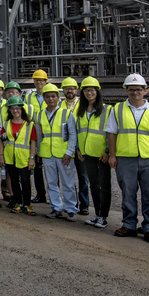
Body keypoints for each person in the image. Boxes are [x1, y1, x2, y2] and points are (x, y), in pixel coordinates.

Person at [106, 73, 149, 244]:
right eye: (131, 89)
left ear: (145, 91)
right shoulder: (117, 109)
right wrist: (112, 155)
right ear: (126, 90)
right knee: (128, 193)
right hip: (125, 159)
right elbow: (112, 134)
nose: (135, 92)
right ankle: (129, 225)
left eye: (139, 89)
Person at [37, 83, 78, 221]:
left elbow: (72, 134)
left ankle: (71, 209)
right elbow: (39, 136)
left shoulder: (66, 113)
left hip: (63, 154)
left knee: (68, 183)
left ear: (58, 98)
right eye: (48, 96)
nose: (51, 99)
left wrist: (69, 152)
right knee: (51, 183)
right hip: (47, 154)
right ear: (44, 98)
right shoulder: (40, 115)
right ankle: (56, 208)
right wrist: (39, 152)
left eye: (53, 96)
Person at [76, 76, 110, 228]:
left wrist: (108, 151)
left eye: (92, 90)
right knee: (94, 185)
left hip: (102, 154)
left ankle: (103, 216)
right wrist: (78, 149)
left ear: (97, 92)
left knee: (104, 186)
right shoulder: (81, 111)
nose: (89, 93)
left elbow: (110, 132)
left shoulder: (107, 110)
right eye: (86, 91)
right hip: (87, 153)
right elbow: (79, 131)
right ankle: (97, 214)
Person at [0, 96, 36, 216]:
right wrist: (1, 155)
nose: (15, 111)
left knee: (25, 181)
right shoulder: (6, 124)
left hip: (24, 159)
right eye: (13, 108)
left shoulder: (29, 125)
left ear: (22, 109)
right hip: (10, 158)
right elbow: (1, 141)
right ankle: (18, 203)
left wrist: (32, 158)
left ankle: (27, 204)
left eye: (18, 108)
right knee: (14, 181)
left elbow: (33, 142)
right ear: (9, 110)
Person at [61, 76, 89, 217]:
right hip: (66, 147)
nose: (69, 91)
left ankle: (84, 205)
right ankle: (72, 204)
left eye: (72, 88)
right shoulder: (60, 105)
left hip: (81, 146)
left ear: (76, 90)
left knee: (83, 177)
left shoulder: (83, 105)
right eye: (66, 89)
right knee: (69, 179)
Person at [27, 69, 48, 203]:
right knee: (37, 167)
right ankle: (40, 195)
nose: (39, 82)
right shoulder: (29, 97)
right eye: (37, 80)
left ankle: (53, 197)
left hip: (49, 135)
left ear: (46, 81)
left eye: (41, 80)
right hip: (34, 135)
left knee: (51, 169)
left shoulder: (52, 95)